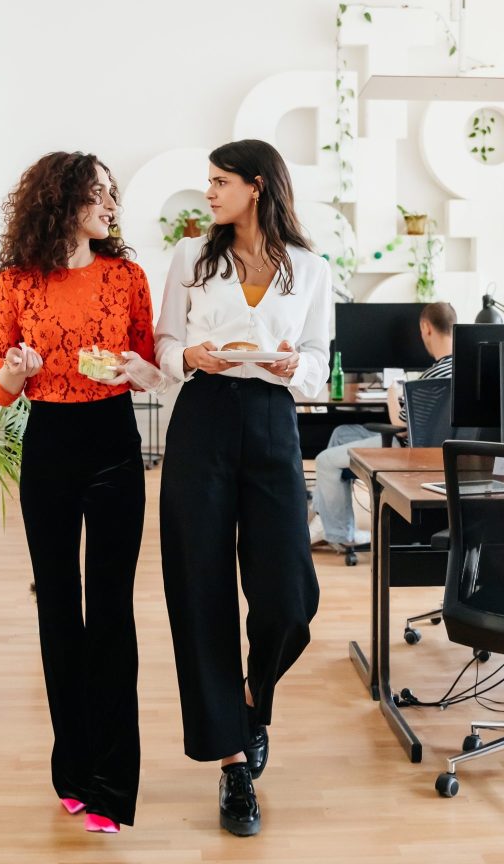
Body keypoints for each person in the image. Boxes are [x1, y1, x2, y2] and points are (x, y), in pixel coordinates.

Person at [153, 139, 329, 837]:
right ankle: (233, 765)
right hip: (202, 418)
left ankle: (254, 698)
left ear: (257, 187)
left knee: (290, 597)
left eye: (220, 182)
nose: (210, 194)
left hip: (270, 418)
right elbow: (165, 345)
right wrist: (186, 355)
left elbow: (318, 358)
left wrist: (292, 369)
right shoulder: (192, 259)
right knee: (199, 589)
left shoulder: (310, 269)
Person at [0, 151, 160, 835]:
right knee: (59, 608)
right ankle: (73, 769)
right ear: (62, 201)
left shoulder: (127, 277)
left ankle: (115, 788)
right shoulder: (15, 282)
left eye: (112, 195)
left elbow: (150, 373)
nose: (111, 207)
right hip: (50, 444)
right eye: (99, 195)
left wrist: (133, 367)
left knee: (111, 611)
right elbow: (0, 392)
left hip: (114, 442)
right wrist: (15, 367)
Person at [309, 301, 456, 549]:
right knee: (341, 433)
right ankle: (328, 518)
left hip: (408, 450)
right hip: (440, 450)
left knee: (324, 460)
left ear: (426, 328)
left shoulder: (431, 376)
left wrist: (392, 393)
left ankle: (342, 536)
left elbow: (401, 424)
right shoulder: (459, 369)